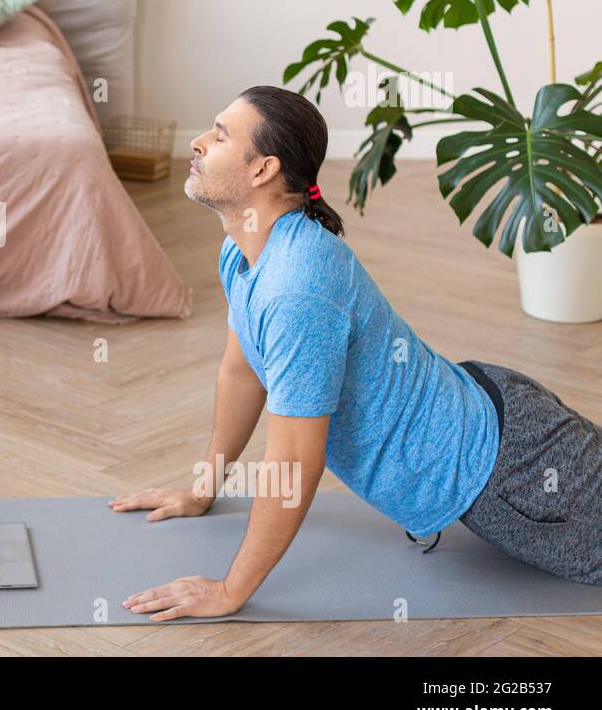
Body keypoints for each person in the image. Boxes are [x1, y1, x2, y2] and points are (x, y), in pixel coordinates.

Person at [108, 85, 602, 621]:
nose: (199, 143)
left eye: (221, 136)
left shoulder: (297, 286)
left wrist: (230, 592)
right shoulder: (245, 249)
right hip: (491, 417)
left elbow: (296, 463)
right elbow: (243, 372)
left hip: (513, 470)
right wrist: (204, 489)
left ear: (263, 170)